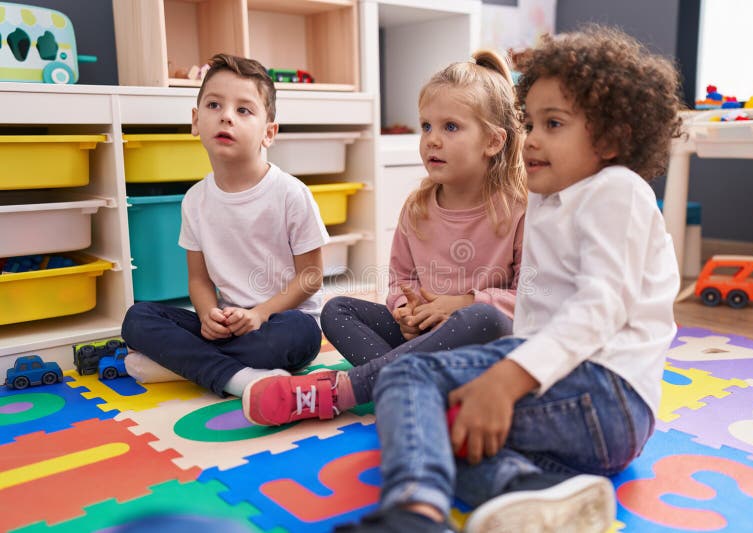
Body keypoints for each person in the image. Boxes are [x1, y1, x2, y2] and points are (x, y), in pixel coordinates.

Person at [334, 25, 683, 533]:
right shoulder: (545, 200)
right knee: (438, 432)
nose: (533, 138)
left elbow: (601, 309)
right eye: (529, 122)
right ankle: (534, 492)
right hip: (572, 406)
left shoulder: (617, 190)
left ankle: (415, 512)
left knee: (408, 378)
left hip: (606, 392)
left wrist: (503, 380)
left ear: (610, 138)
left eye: (554, 124)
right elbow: (537, 308)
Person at [241, 49, 527, 426]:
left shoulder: (519, 210)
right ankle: (420, 387)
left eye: (450, 127)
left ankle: (347, 390)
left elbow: (529, 300)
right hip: (422, 336)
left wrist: (461, 303)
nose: (432, 140)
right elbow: (401, 279)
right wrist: (402, 310)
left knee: (485, 317)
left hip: (483, 346)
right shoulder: (418, 207)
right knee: (336, 309)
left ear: (492, 141)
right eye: (426, 126)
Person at [120, 53, 329, 398]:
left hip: (279, 321)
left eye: (243, 110)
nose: (226, 117)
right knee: (137, 318)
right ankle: (237, 375)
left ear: (269, 133)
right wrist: (206, 315)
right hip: (228, 325)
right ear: (195, 121)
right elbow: (199, 280)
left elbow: (311, 277)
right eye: (214, 105)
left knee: (298, 335)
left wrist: (260, 314)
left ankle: (181, 366)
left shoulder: (291, 193)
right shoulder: (195, 200)